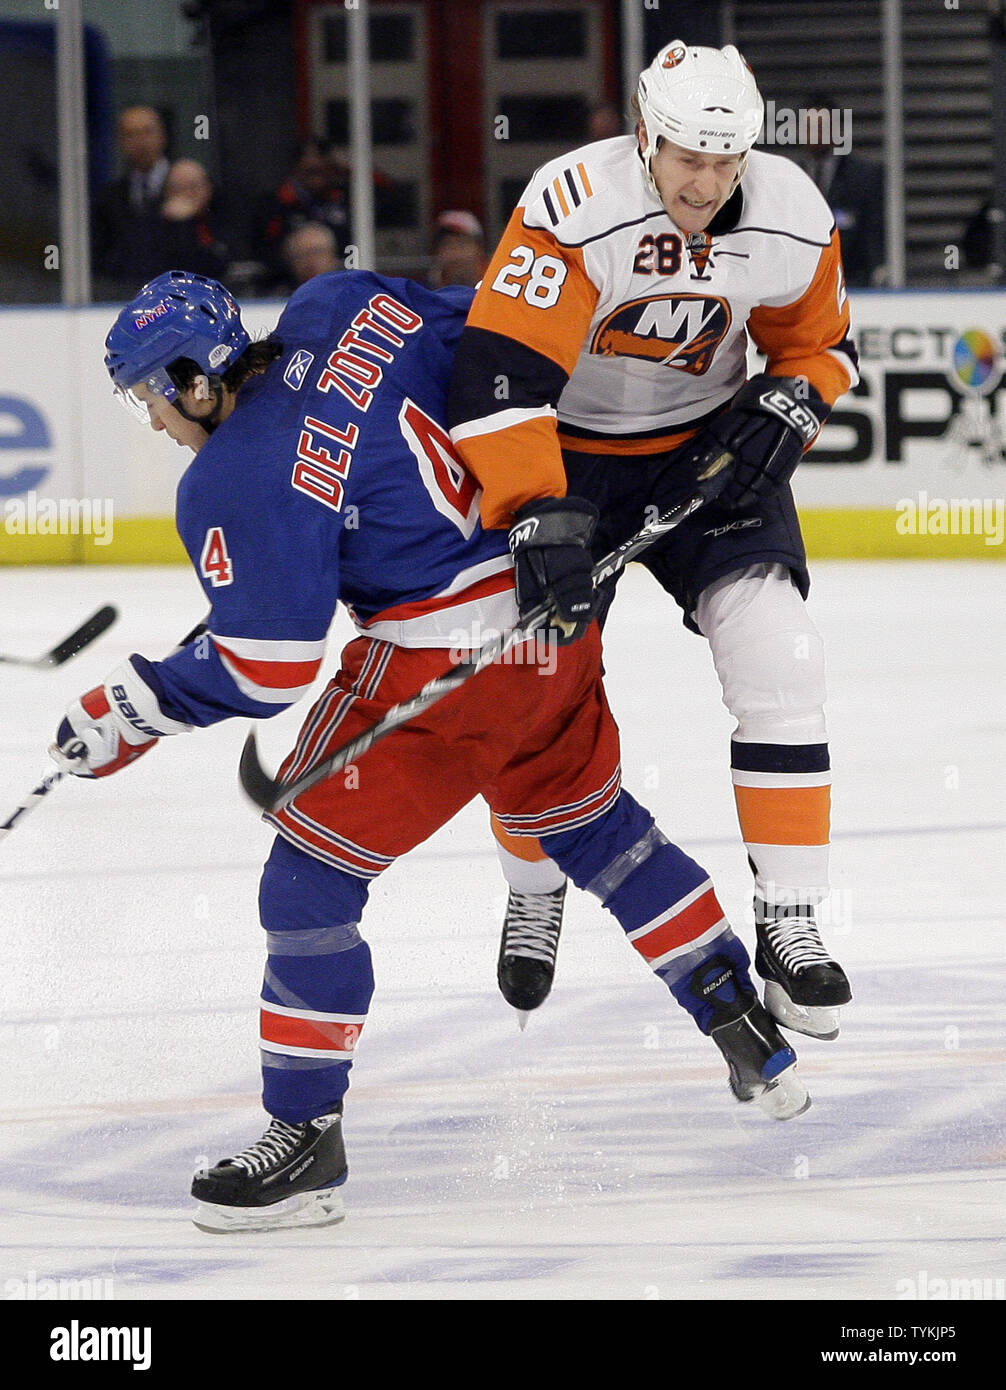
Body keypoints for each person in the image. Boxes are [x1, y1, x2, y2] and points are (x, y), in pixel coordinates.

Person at [50, 267, 811, 1234]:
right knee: (599, 833)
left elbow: (269, 664)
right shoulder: (343, 305)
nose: (155, 420)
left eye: (153, 395)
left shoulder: (230, 478)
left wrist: (137, 705)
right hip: (550, 620)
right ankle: (741, 1023)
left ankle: (305, 1141)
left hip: (438, 676)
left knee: (308, 882)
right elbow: (512, 346)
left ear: (196, 378)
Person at [446, 41, 859, 1043]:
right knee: (537, 694)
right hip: (566, 460)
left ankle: (789, 921)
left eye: (726, 163)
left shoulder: (791, 210)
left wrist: (799, 397)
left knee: (781, 657)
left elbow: (822, 343)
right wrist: (536, 503)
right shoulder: (572, 202)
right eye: (686, 158)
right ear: (645, 134)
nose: (707, 183)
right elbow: (496, 373)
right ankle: (531, 887)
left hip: (704, 456)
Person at [796, 94, 885, 288]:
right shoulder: (790, 175)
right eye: (809, 128)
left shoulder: (863, 176)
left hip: (853, 281)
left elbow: (873, 233)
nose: (815, 134)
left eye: (822, 128)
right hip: (801, 283)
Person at [92, 105, 172, 292]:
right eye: (131, 134)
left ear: (163, 136)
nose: (140, 142)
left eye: (147, 132)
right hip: (124, 294)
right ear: (120, 142)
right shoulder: (109, 197)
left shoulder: (187, 186)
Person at [428, 210, 489, 289]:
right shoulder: (426, 293)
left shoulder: (495, 285)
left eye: (462, 244)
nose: (455, 253)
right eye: (447, 244)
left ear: (479, 248)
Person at [281, 221, 343, 291]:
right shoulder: (280, 299)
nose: (310, 262)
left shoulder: (352, 292)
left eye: (316, 252)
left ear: (333, 255)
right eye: (300, 256)